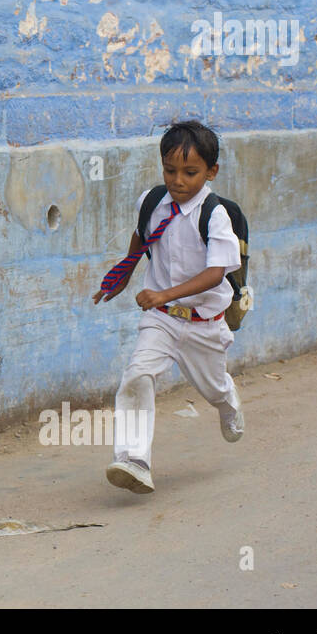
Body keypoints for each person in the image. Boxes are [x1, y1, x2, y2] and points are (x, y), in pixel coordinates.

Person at [92, 120, 245, 494]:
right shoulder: (152, 202)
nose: (178, 181)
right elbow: (141, 236)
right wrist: (125, 274)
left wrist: (165, 294)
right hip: (161, 321)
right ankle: (134, 459)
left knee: (213, 388)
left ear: (211, 171)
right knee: (137, 375)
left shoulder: (216, 214)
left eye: (190, 173)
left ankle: (228, 403)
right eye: (170, 170)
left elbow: (215, 274)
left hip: (202, 323)